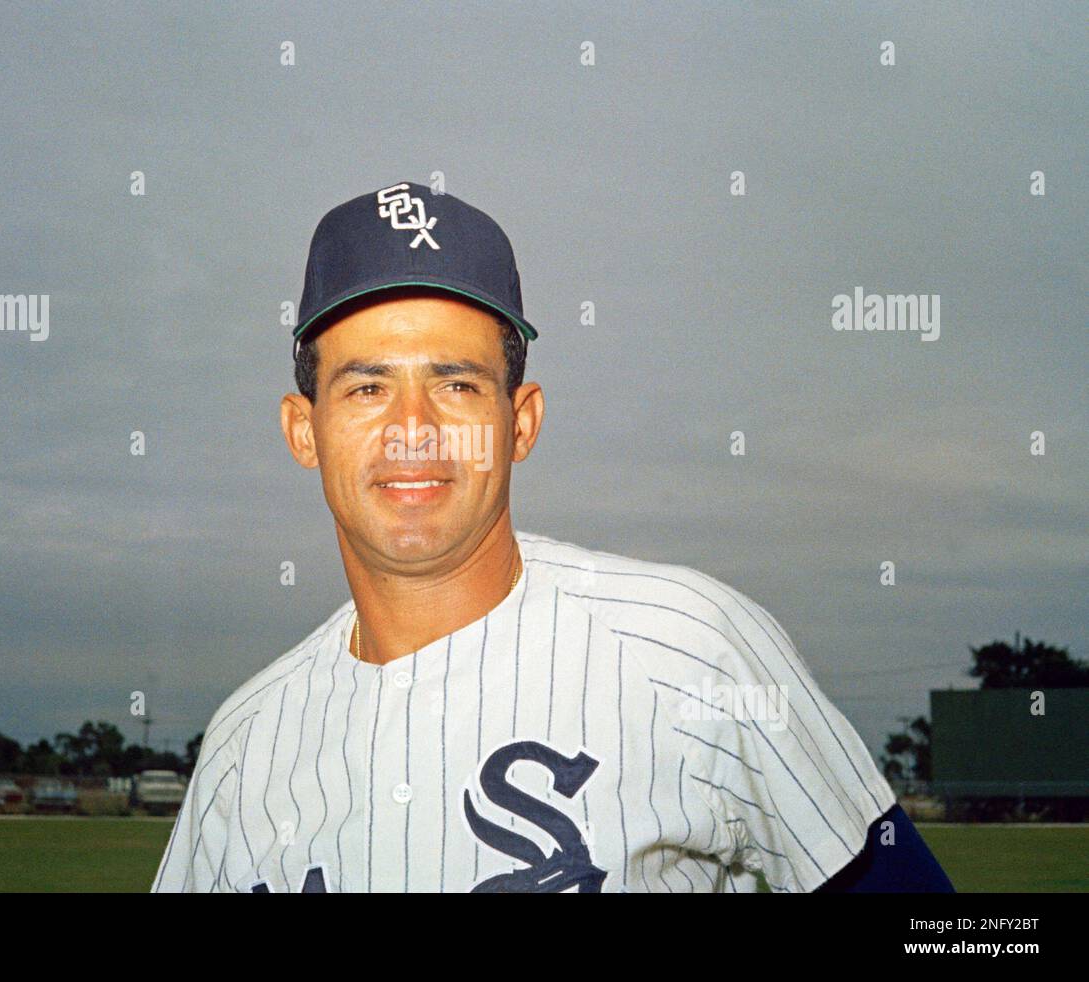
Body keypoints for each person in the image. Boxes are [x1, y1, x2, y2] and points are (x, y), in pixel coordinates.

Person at [152, 181, 953, 893]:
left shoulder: (689, 647)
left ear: (519, 421)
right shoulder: (242, 747)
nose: (412, 430)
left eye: (456, 384)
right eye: (366, 387)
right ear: (305, 430)